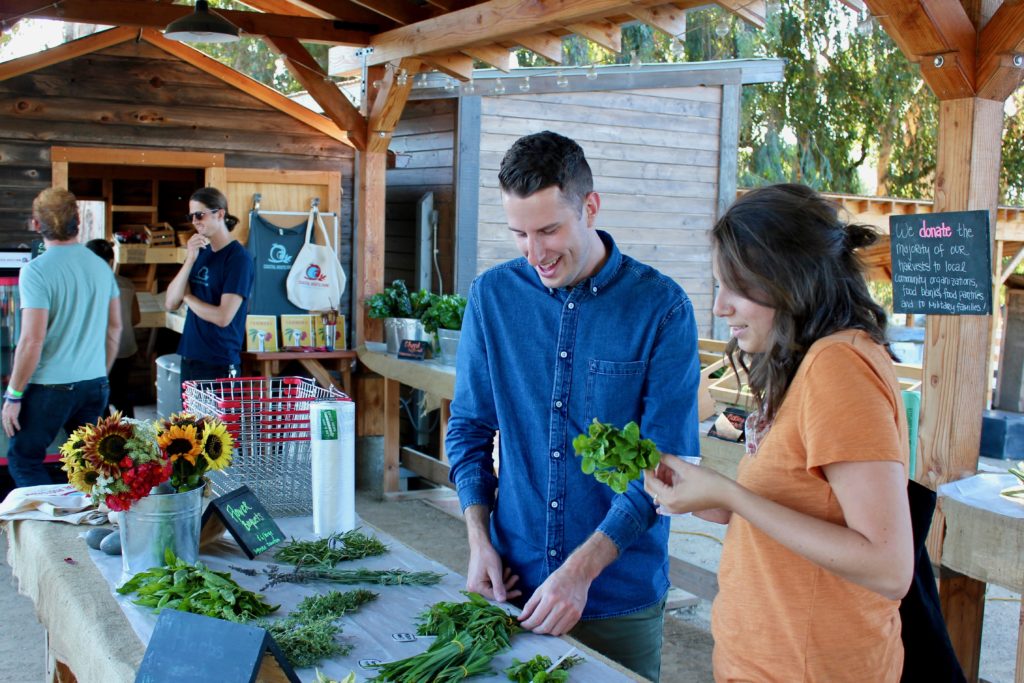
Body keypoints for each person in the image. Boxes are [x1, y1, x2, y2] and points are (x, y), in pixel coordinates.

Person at [445, 130, 700, 682]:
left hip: (619, 596)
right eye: (519, 234)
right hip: (514, 586)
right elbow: (467, 429)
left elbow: (666, 467)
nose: (535, 253)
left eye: (549, 230)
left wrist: (579, 572)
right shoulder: (492, 297)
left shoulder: (663, 308)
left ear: (590, 207)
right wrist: (477, 538)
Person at [644, 183, 914, 682]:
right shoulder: (804, 359)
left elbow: (889, 566)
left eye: (736, 286)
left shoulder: (838, 367)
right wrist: (715, 500)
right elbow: (803, 502)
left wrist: (734, 496)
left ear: (789, 279)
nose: (720, 305)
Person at [2, 188, 121, 487]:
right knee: (91, 468)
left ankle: (43, 530)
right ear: (77, 222)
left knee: (24, 459)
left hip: (50, 387)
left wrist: (13, 395)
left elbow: (31, 340)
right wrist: (100, 374)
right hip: (95, 383)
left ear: (35, 223)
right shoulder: (101, 267)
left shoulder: (35, 271)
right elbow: (115, 328)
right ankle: (90, 527)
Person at [165, 187, 254, 384]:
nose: (195, 221)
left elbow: (223, 317)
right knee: (188, 417)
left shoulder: (238, 258)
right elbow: (170, 303)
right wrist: (189, 259)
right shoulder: (199, 252)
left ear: (220, 214)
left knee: (213, 418)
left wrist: (188, 297)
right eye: (191, 216)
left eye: (200, 215)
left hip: (218, 361)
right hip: (190, 356)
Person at [85, 238, 140, 417]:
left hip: (99, 352)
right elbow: (135, 319)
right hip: (126, 350)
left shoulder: (87, 286)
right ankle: (133, 435)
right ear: (111, 260)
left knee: (100, 398)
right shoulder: (127, 284)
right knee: (122, 395)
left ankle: (103, 438)